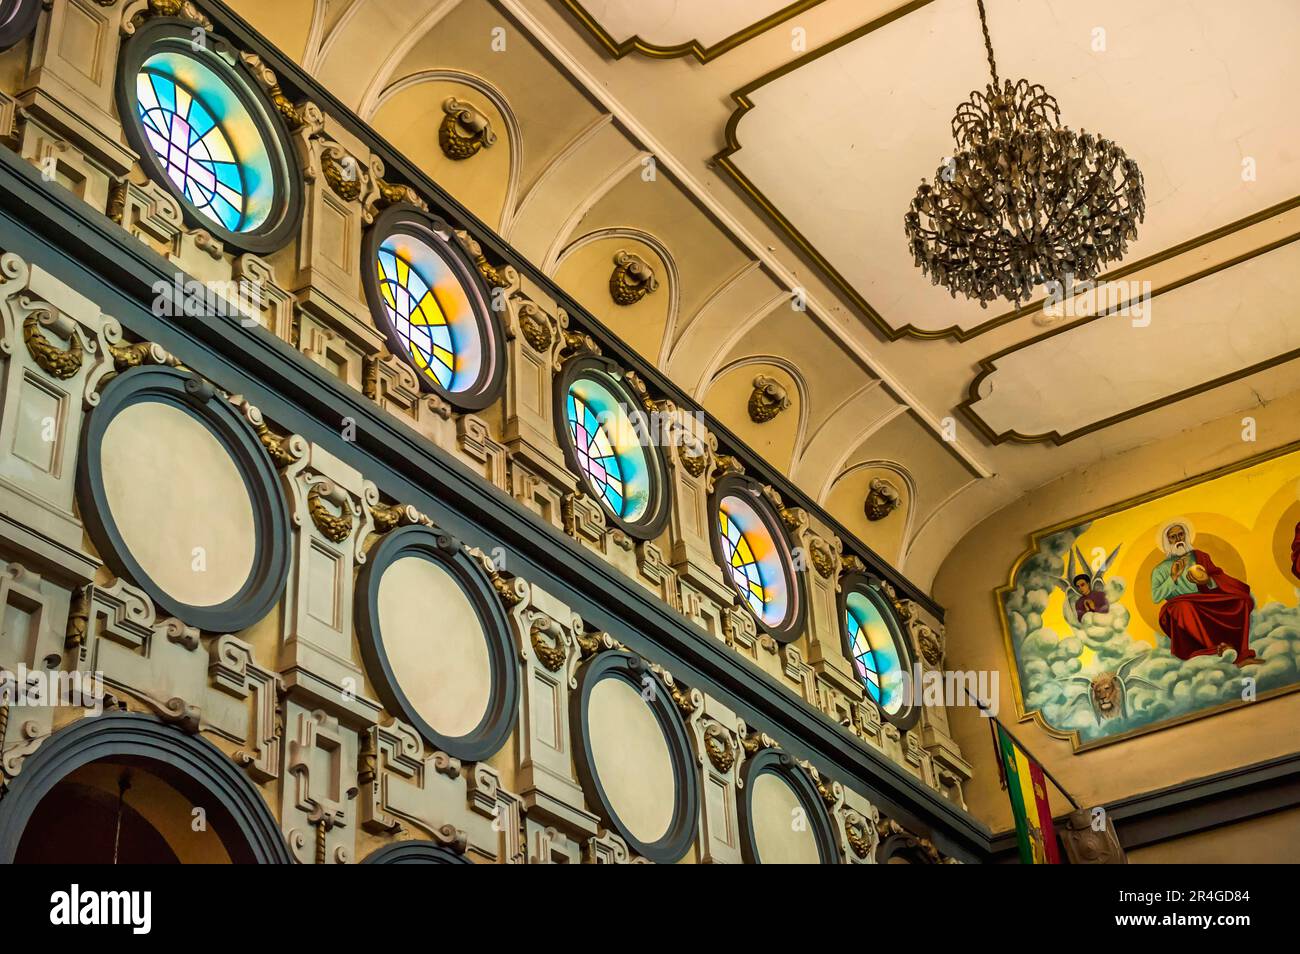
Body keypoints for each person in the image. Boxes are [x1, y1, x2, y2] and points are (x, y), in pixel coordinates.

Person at [1150, 520, 1258, 665]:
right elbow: (1156, 597)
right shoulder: (1160, 569)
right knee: (1184, 607)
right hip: (1179, 605)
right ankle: (1214, 650)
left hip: (1205, 600)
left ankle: (1239, 652)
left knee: (1241, 601)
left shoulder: (1200, 557)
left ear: (1186, 536)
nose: (1178, 539)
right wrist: (1173, 577)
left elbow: (1217, 576)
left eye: (1181, 534)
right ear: (1166, 541)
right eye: (1173, 537)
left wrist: (1207, 581)